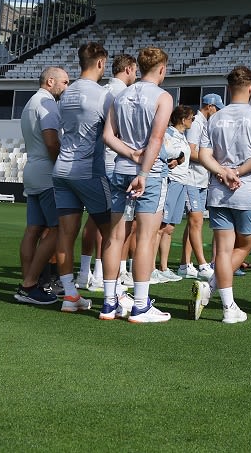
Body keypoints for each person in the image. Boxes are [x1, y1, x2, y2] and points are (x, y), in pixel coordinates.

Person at [191, 66, 251, 324]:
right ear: (250, 88)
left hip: (219, 191)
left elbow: (203, 154)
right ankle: (221, 299)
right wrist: (235, 172)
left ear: (229, 89)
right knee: (246, 244)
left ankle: (224, 302)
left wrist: (223, 172)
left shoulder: (214, 118)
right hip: (247, 189)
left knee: (224, 251)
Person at [102, 46, 175, 323]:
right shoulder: (163, 97)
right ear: (161, 68)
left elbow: (108, 136)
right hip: (149, 173)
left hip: (120, 169)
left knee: (115, 237)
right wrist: (143, 171)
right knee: (145, 237)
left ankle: (109, 303)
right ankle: (141, 305)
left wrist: (128, 153)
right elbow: (156, 140)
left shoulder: (120, 95)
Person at [51, 42, 116, 315]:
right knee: (113, 233)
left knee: (66, 233)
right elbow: (112, 136)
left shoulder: (65, 94)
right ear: (101, 63)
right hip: (89, 171)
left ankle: (70, 295)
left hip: (62, 170)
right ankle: (114, 297)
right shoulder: (103, 95)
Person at [78, 53, 137, 291]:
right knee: (114, 223)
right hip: (113, 162)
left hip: (96, 161)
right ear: (129, 69)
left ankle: (86, 273)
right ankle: (104, 275)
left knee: (95, 220)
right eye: (135, 70)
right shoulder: (120, 94)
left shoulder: (102, 90)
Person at [14, 66, 70, 306]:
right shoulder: (47, 104)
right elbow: (51, 142)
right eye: (65, 82)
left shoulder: (30, 103)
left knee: (33, 230)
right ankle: (30, 284)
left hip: (32, 169)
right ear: (50, 81)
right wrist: (65, 167)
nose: (67, 87)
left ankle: (29, 283)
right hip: (47, 171)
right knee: (57, 230)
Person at [177, 94, 221, 281]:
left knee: (194, 223)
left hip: (200, 179)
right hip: (192, 178)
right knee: (196, 221)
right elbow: (191, 150)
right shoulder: (196, 123)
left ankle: (185, 264)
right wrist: (210, 160)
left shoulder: (203, 123)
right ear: (210, 106)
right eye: (217, 108)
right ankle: (202, 264)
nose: (217, 112)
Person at [154, 105, 196, 282]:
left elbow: (181, 157)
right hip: (171, 181)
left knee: (170, 228)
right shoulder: (169, 133)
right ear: (183, 119)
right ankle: (150, 267)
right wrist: (172, 161)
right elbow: (162, 152)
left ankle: (163, 267)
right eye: (191, 118)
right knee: (160, 227)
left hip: (181, 182)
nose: (192, 121)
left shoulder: (182, 137)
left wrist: (179, 160)